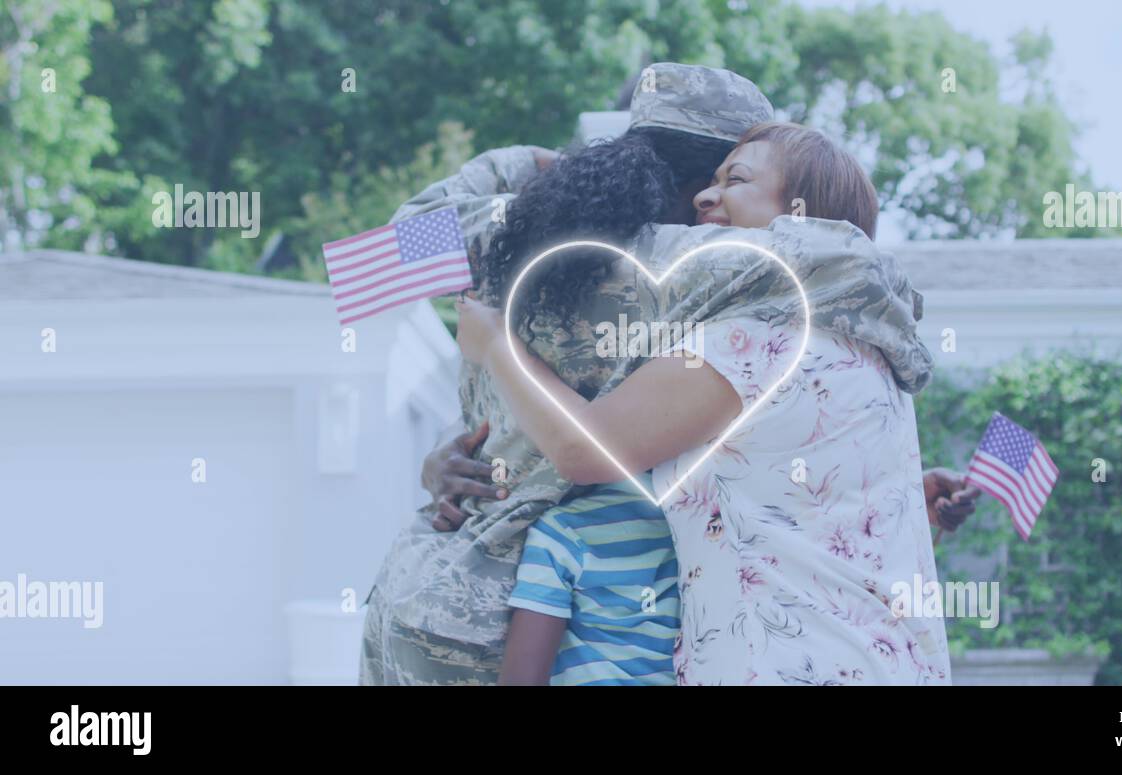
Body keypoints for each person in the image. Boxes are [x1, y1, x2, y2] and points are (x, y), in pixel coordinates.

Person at [362, 65, 978, 685]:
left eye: (737, 178)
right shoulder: (723, 278)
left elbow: (388, 255)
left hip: (448, 591)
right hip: (537, 630)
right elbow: (849, 263)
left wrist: (540, 164)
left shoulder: (514, 250)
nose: (714, 200)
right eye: (722, 173)